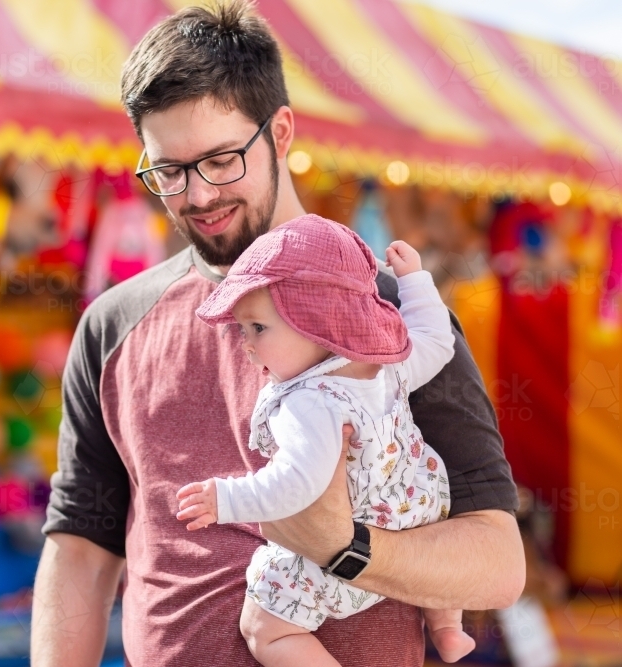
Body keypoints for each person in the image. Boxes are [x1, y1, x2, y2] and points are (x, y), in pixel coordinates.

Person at [31, 3, 524, 666]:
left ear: (281, 131)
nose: (199, 194)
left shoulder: (384, 308)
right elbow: (80, 550)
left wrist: (343, 545)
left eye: (221, 159)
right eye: (169, 172)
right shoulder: (112, 327)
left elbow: (498, 563)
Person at [176, 217, 473, 666]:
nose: (246, 345)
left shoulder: (310, 402)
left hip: (345, 547)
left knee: (264, 629)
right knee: (435, 552)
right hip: (418, 507)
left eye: (258, 328)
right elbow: (436, 339)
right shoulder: (386, 368)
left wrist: (226, 499)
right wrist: (414, 282)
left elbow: (297, 483)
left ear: (315, 322)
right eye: (242, 330)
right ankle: (448, 627)